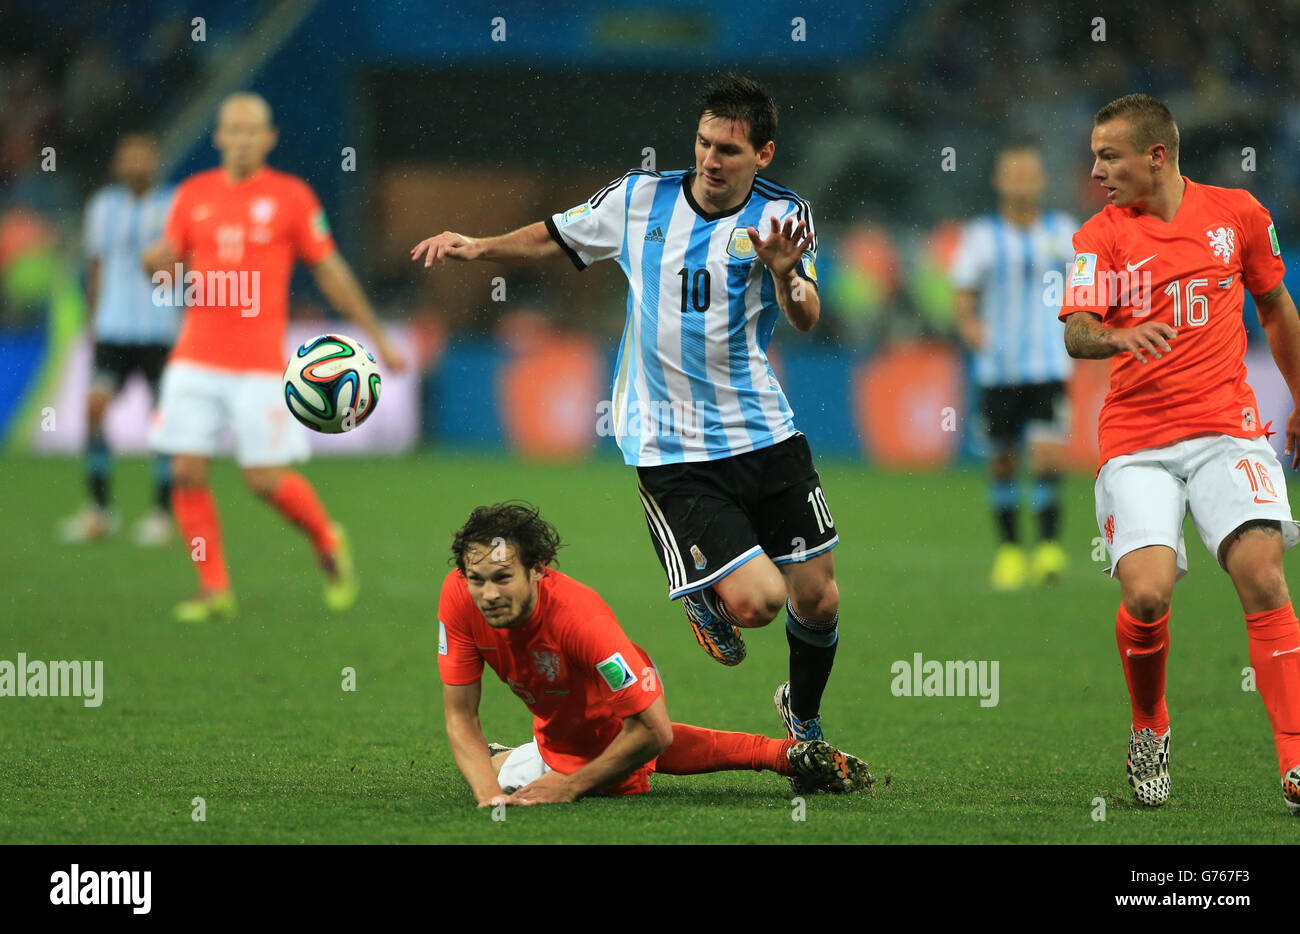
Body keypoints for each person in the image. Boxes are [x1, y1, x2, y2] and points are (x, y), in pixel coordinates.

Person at [413, 76, 843, 775]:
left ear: (762, 154)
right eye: (704, 142)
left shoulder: (783, 217)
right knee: (760, 603)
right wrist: (477, 247)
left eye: (729, 149)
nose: (710, 158)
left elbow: (807, 315)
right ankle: (707, 594)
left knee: (818, 598)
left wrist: (790, 277)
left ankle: (802, 710)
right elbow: (553, 236)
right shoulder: (640, 198)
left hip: (763, 429)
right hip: (669, 440)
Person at [1059, 93, 1300, 813]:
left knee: (1262, 574)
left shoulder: (1239, 216)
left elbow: (1277, 309)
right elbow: (1076, 332)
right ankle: (1149, 725)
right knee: (1147, 593)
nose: (1097, 170)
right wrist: (1114, 337)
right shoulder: (1097, 238)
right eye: (1096, 156)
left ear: (1155, 155)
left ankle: (1295, 757)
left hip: (1228, 430)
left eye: (1110, 156)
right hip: (1137, 444)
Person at [142, 92, 405, 622]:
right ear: (218, 137)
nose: (241, 139)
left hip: (260, 364)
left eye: (251, 130)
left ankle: (327, 537)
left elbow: (329, 270)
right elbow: (167, 272)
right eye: (232, 130)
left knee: (262, 478)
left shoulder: (291, 198)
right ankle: (214, 589)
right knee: (186, 471)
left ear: (269, 138)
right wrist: (156, 265)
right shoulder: (192, 195)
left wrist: (377, 334)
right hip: (194, 357)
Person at [437, 502, 873, 805]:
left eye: (502, 577)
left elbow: (655, 735)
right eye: (477, 579)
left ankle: (516, 757)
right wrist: (487, 799)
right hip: (571, 719)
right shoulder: (459, 597)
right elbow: (460, 716)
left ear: (537, 568)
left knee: (589, 758)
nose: (488, 594)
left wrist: (568, 787)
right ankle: (785, 755)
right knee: (540, 751)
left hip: (628, 693)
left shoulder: (578, 618)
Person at [950, 142, 1078, 590]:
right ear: (999, 181)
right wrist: (970, 326)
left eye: (1029, 172)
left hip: (1050, 365)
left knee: (1046, 455)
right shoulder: (981, 237)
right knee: (1003, 460)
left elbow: (1087, 288)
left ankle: (1047, 549)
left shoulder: (1065, 232)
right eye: (1013, 172)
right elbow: (963, 294)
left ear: (1042, 180)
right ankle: (1008, 552)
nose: (1022, 180)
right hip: (998, 367)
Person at [58, 133, 177, 547]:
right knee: (93, 409)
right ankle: (99, 510)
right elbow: (96, 267)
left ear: (155, 162)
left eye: (143, 158)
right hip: (112, 327)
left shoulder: (176, 204)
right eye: (129, 158)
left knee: (165, 421)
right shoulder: (102, 207)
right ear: (117, 164)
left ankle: (162, 513)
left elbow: (191, 265)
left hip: (161, 330)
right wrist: (92, 323)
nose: (136, 165)